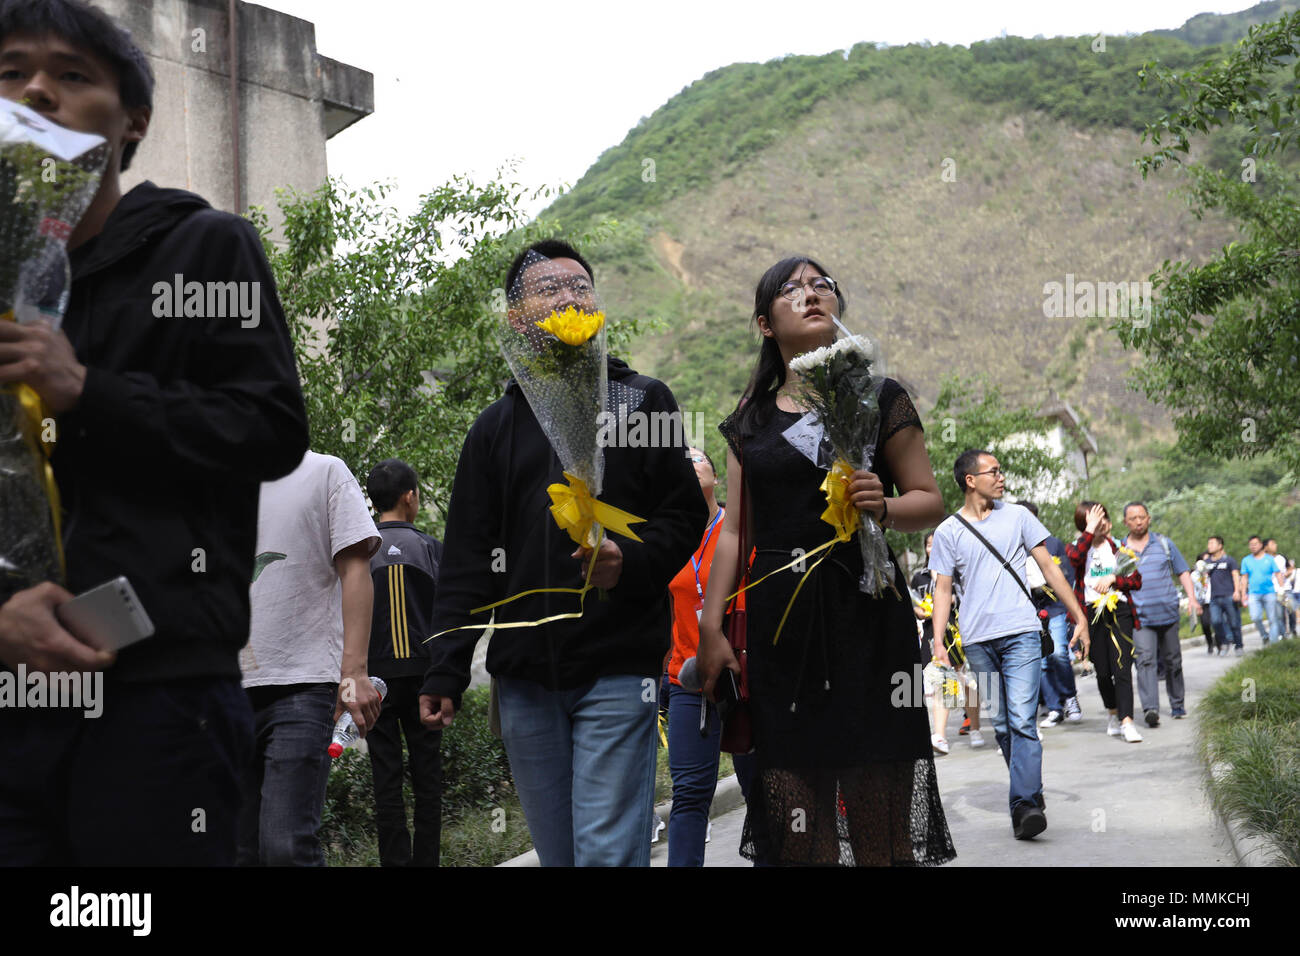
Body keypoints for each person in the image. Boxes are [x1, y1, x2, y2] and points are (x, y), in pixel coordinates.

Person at [0, 0, 309, 865]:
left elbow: (270, 427)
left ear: (132, 118)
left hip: (155, 696)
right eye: (11, 72)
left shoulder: (204, 248)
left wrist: (86, 391)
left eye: (70, 74)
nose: (35, 90)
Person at [418, 240, 707, 867]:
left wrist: (628, 563)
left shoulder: (640, 402)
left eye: (580, 287)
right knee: (561, 856)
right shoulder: (495, 426)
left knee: (606, 851)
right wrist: (445, 667)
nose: (569, 297)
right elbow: (468, 556)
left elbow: (685, 514)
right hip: (524, 676)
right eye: (548, 289)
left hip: (617, 665)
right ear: (517, 316)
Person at [698, 256, 956, 866]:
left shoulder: (881, 397)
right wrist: (711, 628)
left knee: (878, 817)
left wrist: (885, 507)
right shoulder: (750, 419)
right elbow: (735, 531)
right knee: (797, 818)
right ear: (765, 323)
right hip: (782, 624)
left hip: (867, 613)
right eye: (791, 289)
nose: (810, 294)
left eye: (822, 285)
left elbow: (931, 501)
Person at [929, 451, 1089, 841]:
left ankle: (1023, 805)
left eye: (1001, 471)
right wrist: (938, 643)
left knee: (1021, 719)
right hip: (978, 640)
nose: (1001, 477)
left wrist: (1079, 616)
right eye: (993, 472)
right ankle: (1030, 793)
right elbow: (943, 588)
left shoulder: (1018, 516)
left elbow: (1049, 567)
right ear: (970, 479)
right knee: (1002, 725)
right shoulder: (949, 530)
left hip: (1021, 632)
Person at [238, 451, 381, 866]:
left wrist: (354, 672)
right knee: (235, 851)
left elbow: (355, 571)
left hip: (303, 686)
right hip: (224, 694)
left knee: (285, 846)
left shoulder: (324, 472)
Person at [365, 458, 445, 867]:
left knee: (386, 779)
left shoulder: (359, 553)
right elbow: (449, 617)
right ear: (409, 497)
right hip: (425, 679)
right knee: (428, 779)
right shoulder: (432, 548)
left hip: (373, 681)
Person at [663, 447, 726, 866]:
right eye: (682, 459)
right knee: (687, 794)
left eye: (698, 458)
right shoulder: (665, 537)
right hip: (687, 679)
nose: (690, 463)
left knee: (762, 787)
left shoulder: (738, 529)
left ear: (716, 479)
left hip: (742, 673)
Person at [1066, 502, 1143, 742]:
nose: (1100, 523)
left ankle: (1127, 721)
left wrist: (1114, 579)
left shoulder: (1119, 548)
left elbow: (1136, 581)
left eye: (1102, 518)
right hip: (1091, 613)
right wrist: (1089, 532)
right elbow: (1074, 559)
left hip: (1119, 611)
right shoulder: (1077, 548)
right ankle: (1112, 712)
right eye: (1093, 520)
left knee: (1122, 667)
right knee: (1102, 672)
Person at [1121, 502, 1200, 725]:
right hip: (1140, 617)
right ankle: (1151, 709)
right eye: (1133, 518)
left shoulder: (1165, 544)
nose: (1138, 521)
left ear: (1149, 519)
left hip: (1168, 613)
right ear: (1125, 522)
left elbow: (1183, 571)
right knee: (1145, 661)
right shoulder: (1120, 549)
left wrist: (1192, 599)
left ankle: (1177, 704)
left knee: (1173, 660)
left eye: (1142, 517)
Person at [910, 532, 984, 753]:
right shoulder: (919, 577)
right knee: (941, 679)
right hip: (932, 631)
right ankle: (940, 735)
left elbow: (964, 597)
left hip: (957, 629)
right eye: (930, 545)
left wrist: (943, 587)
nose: (932, 549)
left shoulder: (958, 572)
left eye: (937, 545)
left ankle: (975, 728)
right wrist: (919, 611)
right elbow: (915, 601)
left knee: (959, 679)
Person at [1020, 502, 1082, 728]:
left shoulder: (1052, 544)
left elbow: (1066, 576)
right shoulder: (1014, 547)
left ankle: (1069, 697)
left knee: (1058, 655)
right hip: (1030, 610)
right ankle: (1054, 708)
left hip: (1054, 608)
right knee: (1042, 661)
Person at [1204, 536, 1244, 656]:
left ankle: (1239, 645)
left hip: (1229, 596)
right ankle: (1224, 642)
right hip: (1214, 598)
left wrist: (1237, 591)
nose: (1209, 546)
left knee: (1234, 623)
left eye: (1212, 543)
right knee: (1215, 622)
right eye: (1208, 543)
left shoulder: (1229, 560)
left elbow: (1235, 576)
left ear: (1220, 545)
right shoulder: (1207, 563)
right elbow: (1202, 578)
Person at [1241, 535, 1283, 645]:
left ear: (1260, 545)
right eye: (1251, 545)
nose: (1253, 547)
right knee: (1255, 617)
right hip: (1253, 593)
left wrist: (1282, 589)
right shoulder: (1246, 560)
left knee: (1272, 619)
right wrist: (1243, 594)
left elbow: (1278, 574)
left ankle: (1273, 645)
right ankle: (1264, 635)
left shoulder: (1269, 559)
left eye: (1255, 544)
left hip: (1269, 592)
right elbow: (1244, 578)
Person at [1265, 539, 1293, 638]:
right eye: (1272, 544)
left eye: (1275, 543)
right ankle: (1284, 634)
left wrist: (1287, 573)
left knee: (1291, 610)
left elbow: (1290, 568)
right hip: (1273, 590)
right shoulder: (1264, 560)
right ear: (1266, 547)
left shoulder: (1281, 558)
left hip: (1286, 588)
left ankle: (1293, 630)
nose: (1275, 545)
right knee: (1279, 614)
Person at [1191, 553, 1217, 655]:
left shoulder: (1213, 573)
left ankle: (1219, 642)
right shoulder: (1194, 576)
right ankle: (1210, 643)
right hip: (1201, 602)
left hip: (1213, 600)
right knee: (1205, 624)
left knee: (1216, 622)